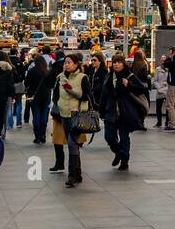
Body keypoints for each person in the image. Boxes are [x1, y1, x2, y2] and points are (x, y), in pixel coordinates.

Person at [99, 53, 147, 172]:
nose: (116, 64)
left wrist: (129, 85)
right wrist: (101, 110)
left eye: (119, 62)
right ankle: (118, 153)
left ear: (123, 63)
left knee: (124, 136)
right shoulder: (109, 76)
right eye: (114, 62)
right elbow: (104, 94)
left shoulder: (129, 75)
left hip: (125, 111)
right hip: (110, 111)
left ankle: (124, 161)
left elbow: (142, 88)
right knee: (109, 137)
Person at [51, 52, 92, 188]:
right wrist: (58, 104)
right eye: (65, 62)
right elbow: (55, 95)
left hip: (78, 115)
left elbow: (87, 96)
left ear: (76, 64)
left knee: (72, 143)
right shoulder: (60, 77)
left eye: (69, 62)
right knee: (72, 143)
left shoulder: (82, 78)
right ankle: (77, 173)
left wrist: (71, 92)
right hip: (64, 115)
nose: (66, 65)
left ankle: (72, 175)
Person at [25, 54, 51, 144]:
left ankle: (37, 137)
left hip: (34, 97)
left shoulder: (31, 71)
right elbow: (51, 85)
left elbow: (26, 83)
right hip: (46, 96)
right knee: (44, 117)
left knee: (36, 116)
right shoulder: (47, 72)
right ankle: (43, 135)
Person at [7, 48, 26, 131]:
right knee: (18, 103)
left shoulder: (7, 63)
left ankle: (10, 123)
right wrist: (20, 81)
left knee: (9, 105)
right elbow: (23, 74)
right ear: (16, 53)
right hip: (18, 85)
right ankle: (18, 123)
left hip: (9, 86)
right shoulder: (19, 62)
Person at [154, 56, 169, 128]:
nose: (163, 62)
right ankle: (159, 122)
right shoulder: (157, 69)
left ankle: (167, 123)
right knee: (158, 108)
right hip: (159, 91)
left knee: (168, 108)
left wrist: (166, 88)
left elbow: (170, 81)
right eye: (162, 60)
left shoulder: (169, 69)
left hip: (167, 91)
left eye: (164, 60)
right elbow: (155, 81)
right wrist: (159, 88)